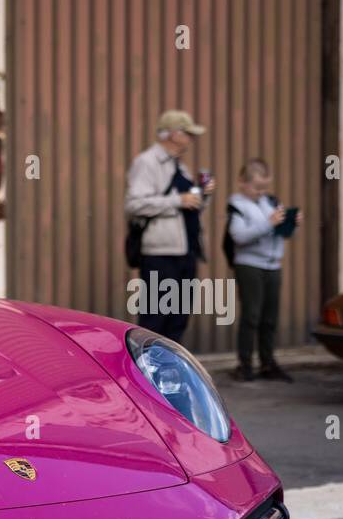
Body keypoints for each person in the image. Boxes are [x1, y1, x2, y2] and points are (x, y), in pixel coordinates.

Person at [124, 110, 216, 342]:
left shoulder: (180, 166)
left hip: (185, 252)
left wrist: (202, 197)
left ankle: (167, 374)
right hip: (160, 255)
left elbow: (186, 208)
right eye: (188, 133)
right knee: (155, 319)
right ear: (173, 134)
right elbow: (135, 204)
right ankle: (144, 374)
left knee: (178, 319)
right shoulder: (147, 162)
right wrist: (179, 200)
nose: (192, 138)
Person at [226, 158, 303, 381]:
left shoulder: (270, 201)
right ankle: (245, 364)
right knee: (251, 315)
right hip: (249, 264)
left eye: (265, 187)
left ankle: (268, 363)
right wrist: (269, 223)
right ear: (242, 182)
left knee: (270, 317)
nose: (261, 192)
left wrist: (291, 223)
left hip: (273, 264)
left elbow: (282, 234)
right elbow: (239, 236)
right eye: (257, 187)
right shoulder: (237, 205)